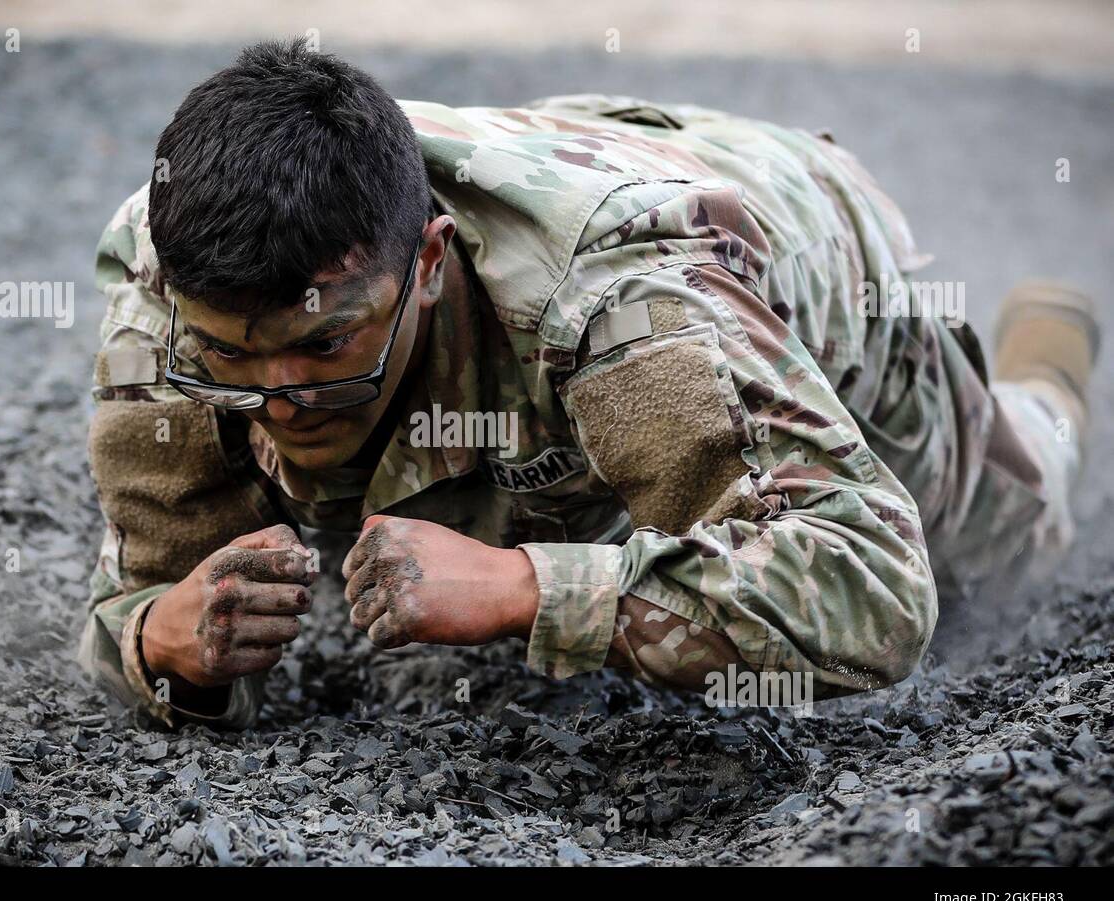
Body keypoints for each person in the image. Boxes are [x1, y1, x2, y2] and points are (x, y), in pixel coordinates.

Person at [77, 40, 1098, 728]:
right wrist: (165, 642)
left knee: (1009, 533)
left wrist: (523, 588)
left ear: (428, 264)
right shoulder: (161, 295)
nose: (282, 397)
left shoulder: (618, 305)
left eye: (328, 347)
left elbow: (871, 588)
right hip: (555, 211)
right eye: (232, 360)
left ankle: (1048, 360)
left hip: (800, 257)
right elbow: (143, 594)